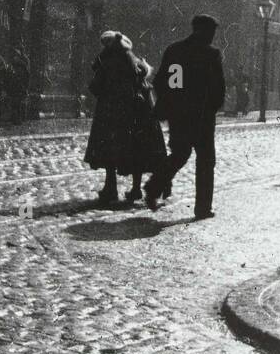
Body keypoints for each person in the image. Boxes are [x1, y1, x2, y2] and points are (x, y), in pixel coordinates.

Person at [144, 15, 226, 219]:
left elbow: (167, 83)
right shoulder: (211, 54)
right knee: (206, 161)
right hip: (203, 118)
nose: (212, 37)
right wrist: (211, 108)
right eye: (211, 32)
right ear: (205, 32)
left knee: (180, 154)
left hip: (180, 116)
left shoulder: (176, 51)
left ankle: (154, 187)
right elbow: (218, 88)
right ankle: (202, 208)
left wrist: (174, 106)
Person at [85, 31, 166, 207]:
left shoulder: (107, 61)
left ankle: (110, 188)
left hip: (111, 113)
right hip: (136, 114)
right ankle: (136, 188)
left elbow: (95, 86)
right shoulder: (135, 61)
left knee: (109, 150)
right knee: (136, 150)